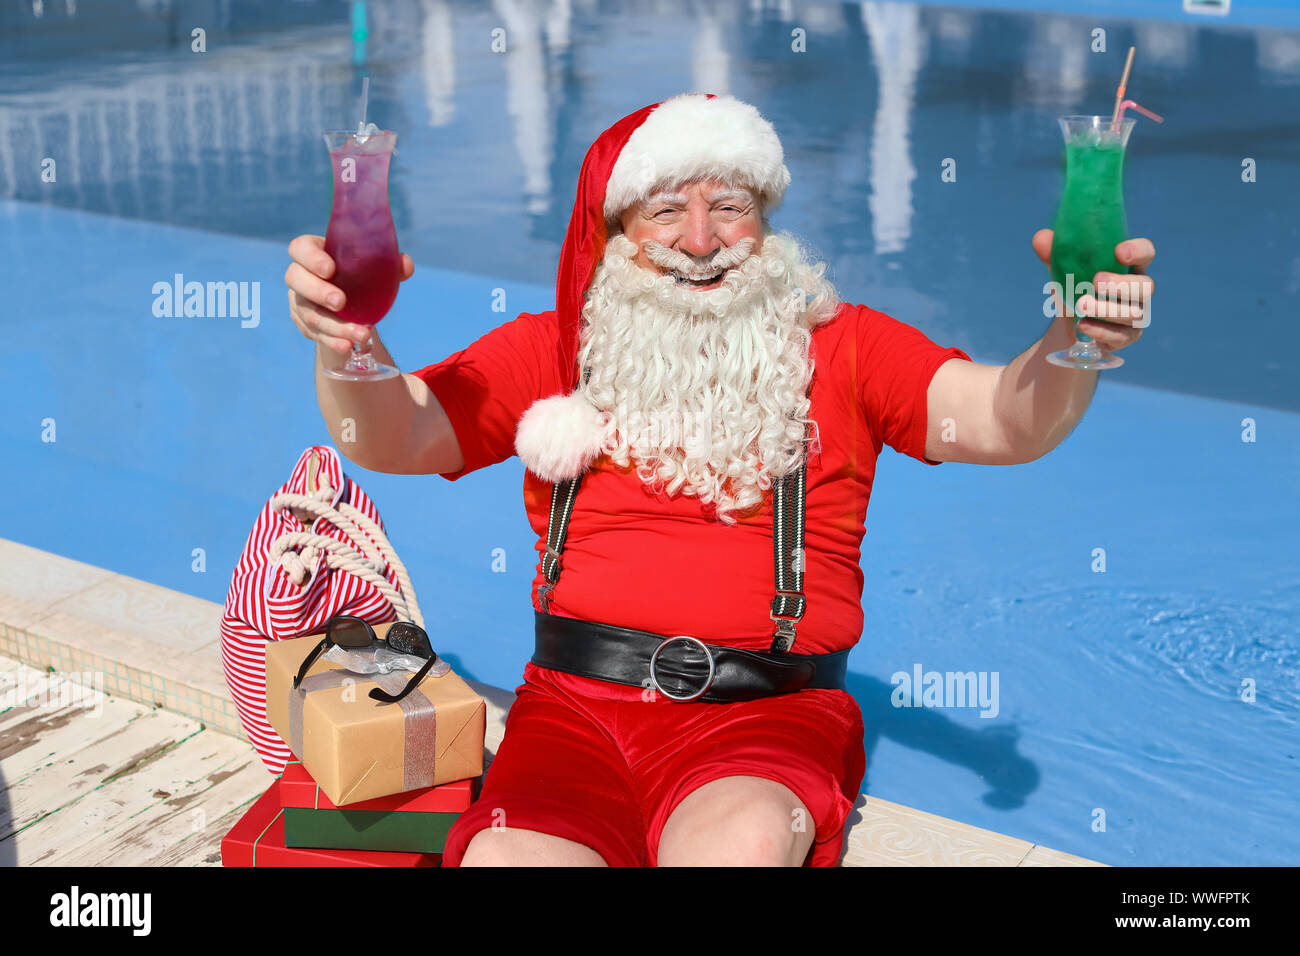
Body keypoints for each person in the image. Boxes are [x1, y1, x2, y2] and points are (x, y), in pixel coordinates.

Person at [284, 93, 1156, 866]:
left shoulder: (845, 347)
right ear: (618, 227)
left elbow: (1008, 420)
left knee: (735, 847)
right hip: (573, 715)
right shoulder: (555, 351)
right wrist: (346, 342)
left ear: (765, 219)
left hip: (763, 718)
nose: (700, 241)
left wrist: (1074, 342)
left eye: (729, 207)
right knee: (510, 861)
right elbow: (392, 435)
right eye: (666, 210)